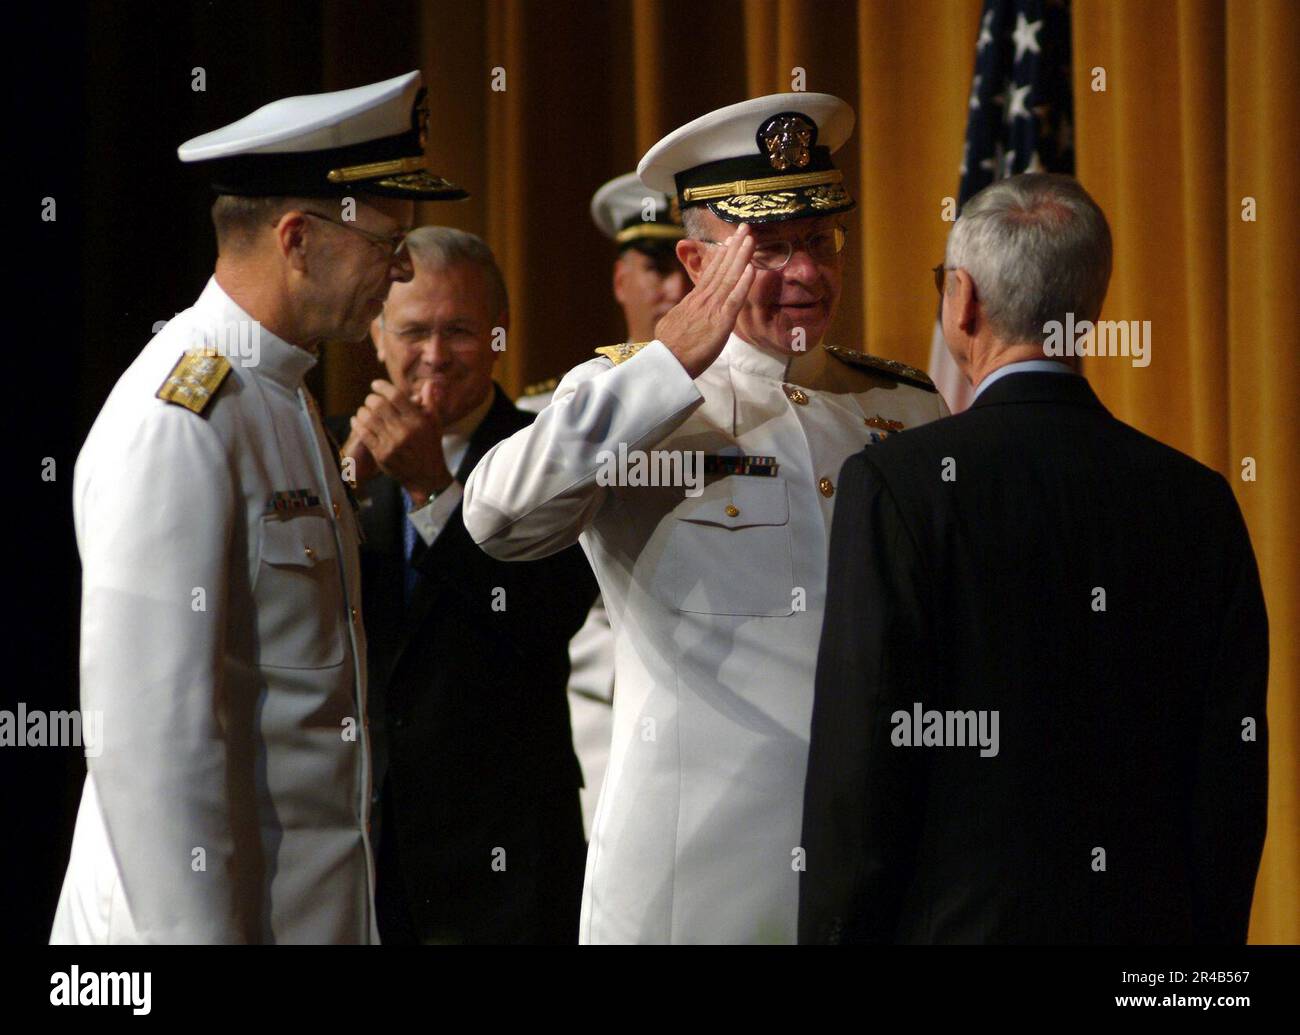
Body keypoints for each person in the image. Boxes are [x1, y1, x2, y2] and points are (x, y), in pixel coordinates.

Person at [462, 93, 949, 944]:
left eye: (820, 239)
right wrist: (662, 368)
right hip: (695, 882)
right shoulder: (631, 396)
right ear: (695, 259)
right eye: (769, 249)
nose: (806, 272)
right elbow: (498, 518)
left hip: (875, 871)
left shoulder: (903, 404)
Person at [50, 71, 466, 944]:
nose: (399, 271)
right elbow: (150, 747)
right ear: (298, 238)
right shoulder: (181, 418)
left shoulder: (281, 392)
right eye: (387, 243)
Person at [799, 172, 1269, 944]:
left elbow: (861, 772)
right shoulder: (1199, 501)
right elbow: (1230, 780)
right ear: (1092, 306)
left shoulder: (899, 485)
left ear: (963, 299)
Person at [333, 227, 596, 944]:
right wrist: (341, 491)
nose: (436, 354)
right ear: (377, 337)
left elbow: (543, 617)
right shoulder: (328, 455)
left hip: (505, 864)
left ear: (499, 339)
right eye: (414, 330)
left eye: (461, 331)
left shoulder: (547, 452)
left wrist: (432, 490)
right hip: (361, 855)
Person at [516, 173, 689, 837]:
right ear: (621, 280)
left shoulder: (746, 417)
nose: (674, 288)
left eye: (686, 266)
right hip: (588, 739)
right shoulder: (548, 420)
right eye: (654, 267)